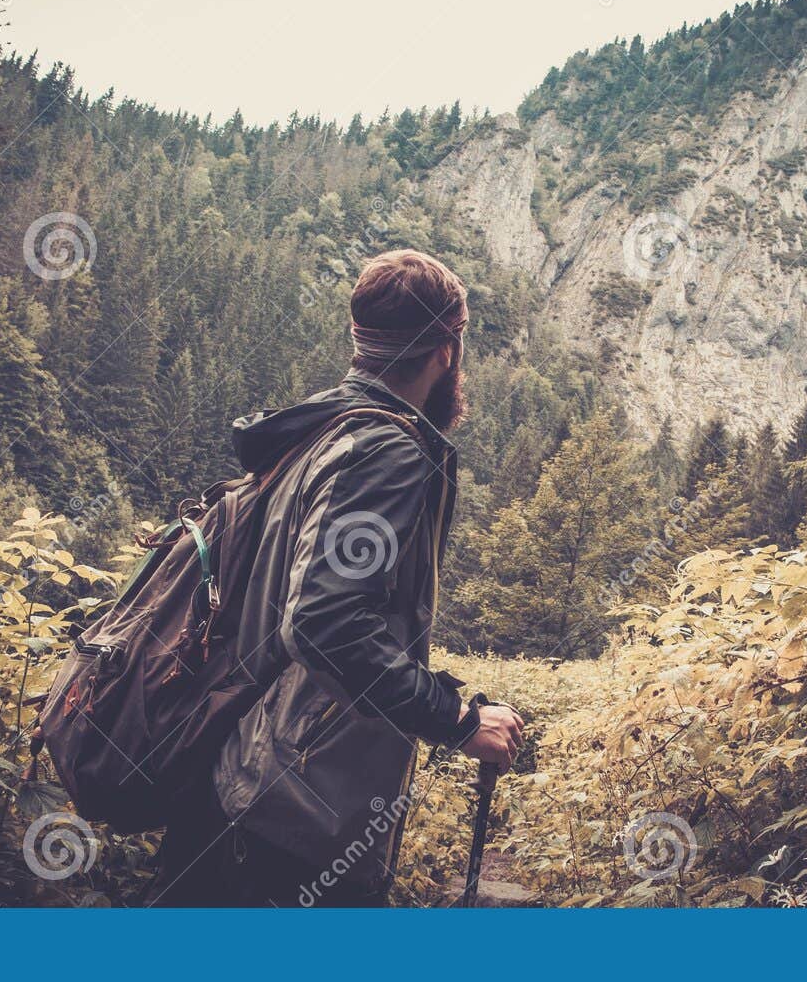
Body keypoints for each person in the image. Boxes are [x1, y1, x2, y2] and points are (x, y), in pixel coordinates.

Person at [148, 248, 525, 906]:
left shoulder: (317, 434)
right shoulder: (387, 452)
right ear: (446, 350)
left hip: (234, 782)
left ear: (361, 344)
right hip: (288, 817)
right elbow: (325, 620)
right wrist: (458, 721)